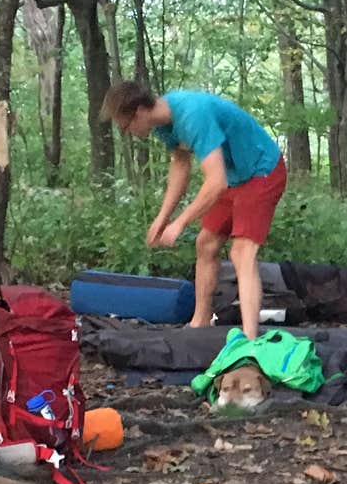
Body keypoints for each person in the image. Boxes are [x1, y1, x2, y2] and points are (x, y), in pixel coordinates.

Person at [101, 81, 287, 340]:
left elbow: (215, 181)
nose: (127, 132)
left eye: (125, 126)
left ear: (140, 111)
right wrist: (162, 218)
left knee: (241, 252)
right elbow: (180, 164)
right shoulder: (163, 124)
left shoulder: (192, 115)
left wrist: (180, 223)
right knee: (206, 244)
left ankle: (249, 340)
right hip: (234, 178)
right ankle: (200, 322)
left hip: (261, 171)